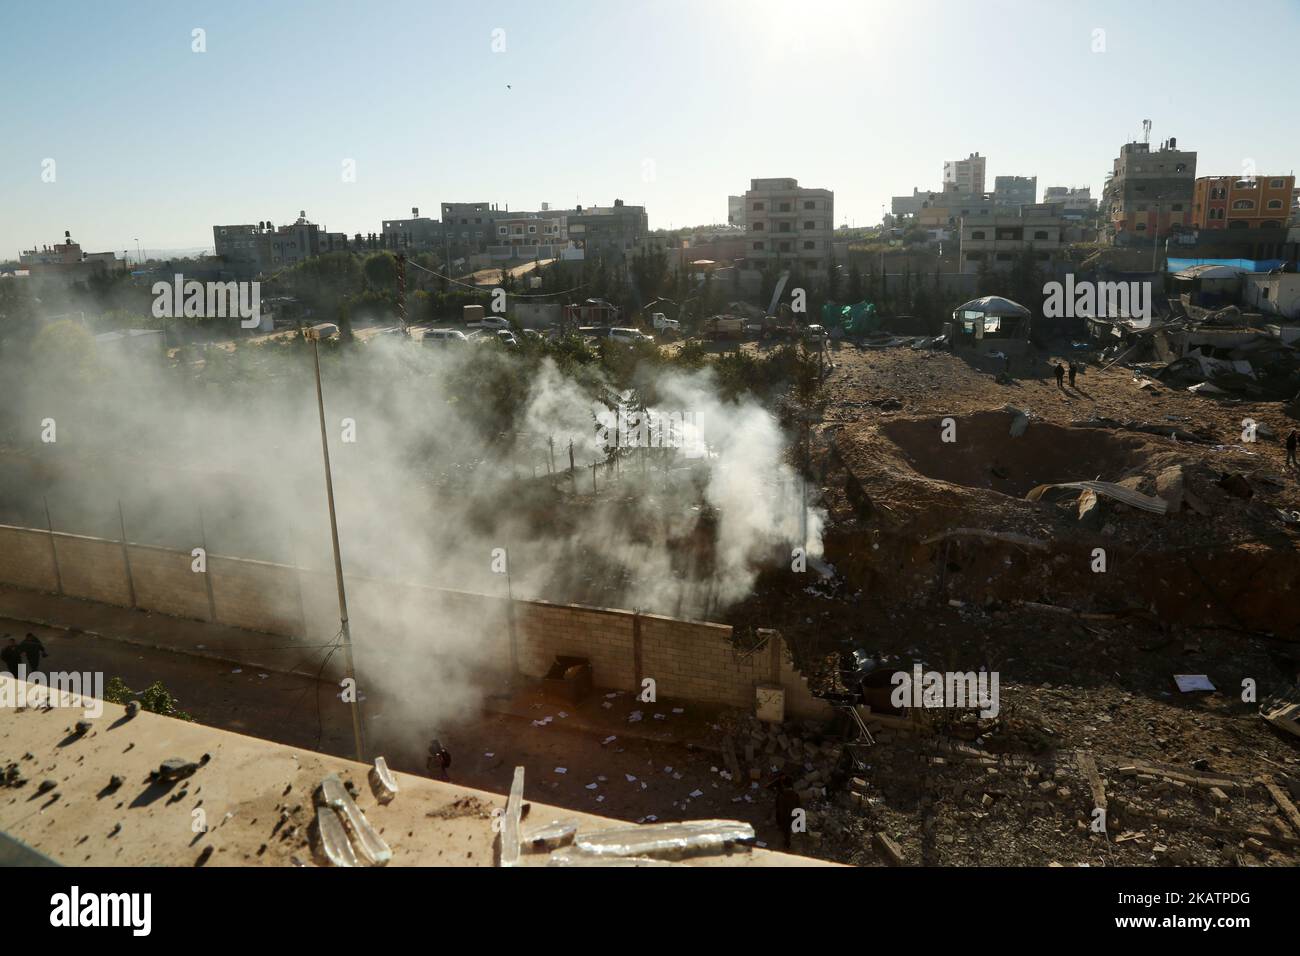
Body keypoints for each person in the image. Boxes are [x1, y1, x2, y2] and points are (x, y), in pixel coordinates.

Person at [773, 775, 802, 851]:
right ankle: (787, 842)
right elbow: (799, 806)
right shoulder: (795, 795)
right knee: (788, 830)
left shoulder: (781, 795)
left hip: (785, 816)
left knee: (786, 830)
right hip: (793, 814)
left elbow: (778, 808)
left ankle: (787, 842)